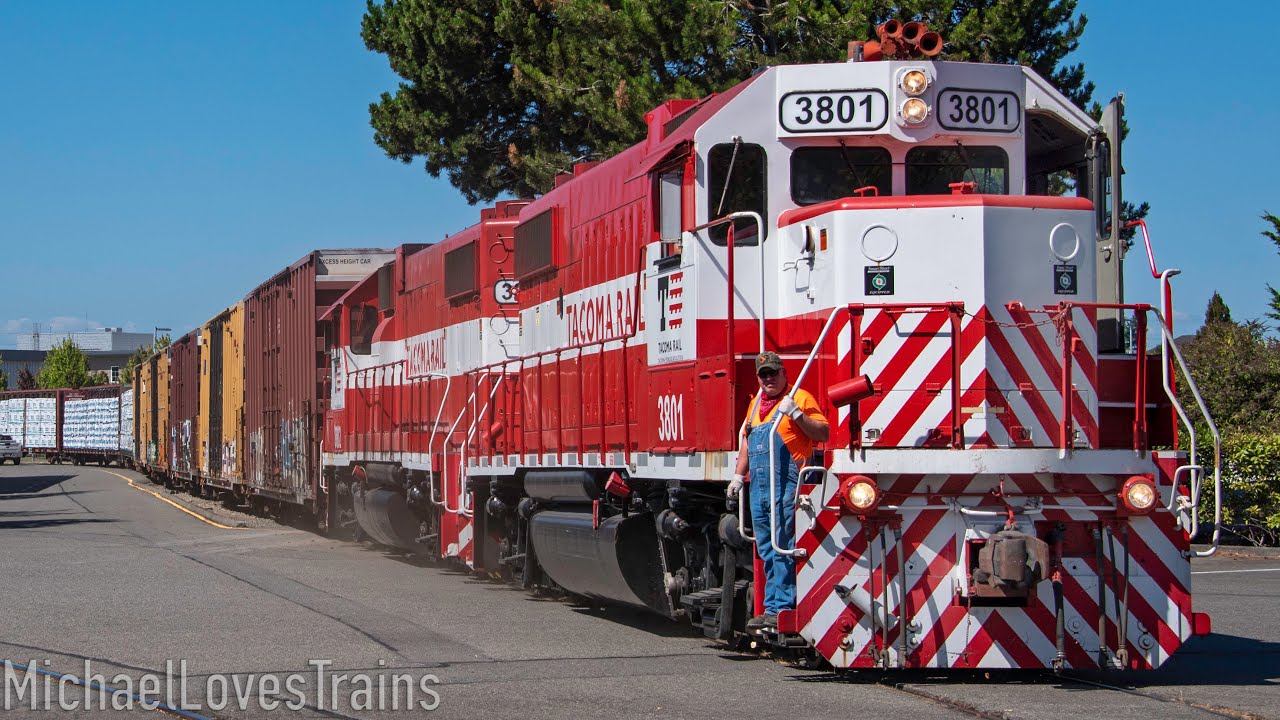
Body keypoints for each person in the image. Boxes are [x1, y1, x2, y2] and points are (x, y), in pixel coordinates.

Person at [728, 351, 829, 631]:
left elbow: (823, 433)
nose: (769, 378)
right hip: (760, 488)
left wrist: (797, 414)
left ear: (784, 373)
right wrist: (738, 476)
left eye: (773, 372)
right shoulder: (755, 404)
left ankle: (783, 607)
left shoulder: (800, 398)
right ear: (758, 378)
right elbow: (747, 442)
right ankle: (771, 607)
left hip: (787, 486)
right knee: (766, 548)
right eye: (764, 374)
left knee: (782, 545)